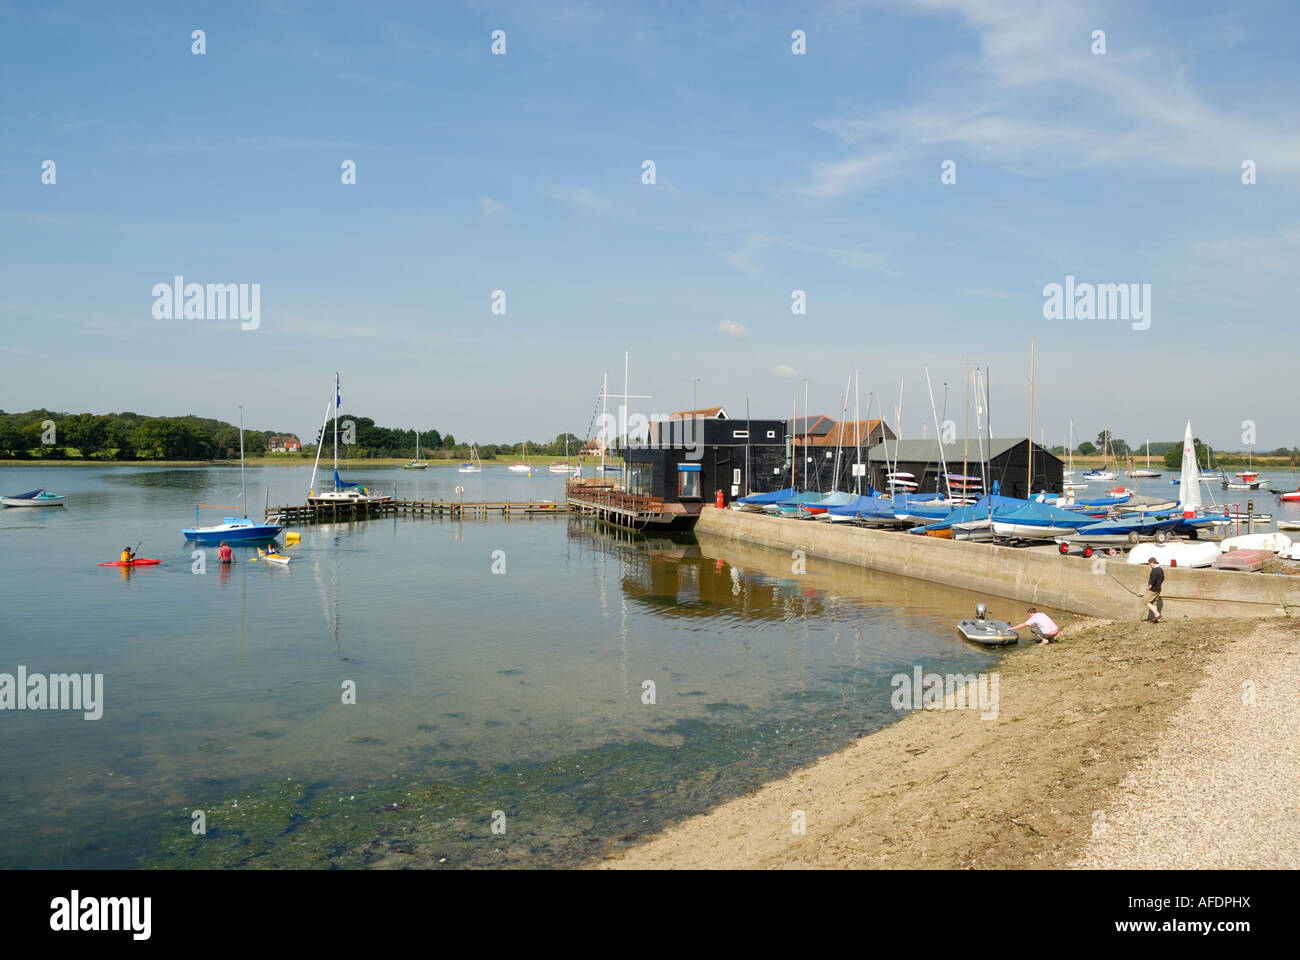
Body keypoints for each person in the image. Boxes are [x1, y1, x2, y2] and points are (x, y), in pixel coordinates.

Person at [1144, 557, 1164, 622]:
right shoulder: (1160, 569)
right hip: (1158, 588)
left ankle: (1157, 614)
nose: (1149, 565)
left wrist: (1150, 586)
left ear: (1152, 563)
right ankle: (1156, 618)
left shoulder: (1154, 570)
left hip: (1153, 589)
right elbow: (1163, 578)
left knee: (1145, 601)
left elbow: (1153, 579)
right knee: (1153, 602)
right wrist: (1158, 584)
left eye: (1149, 563)